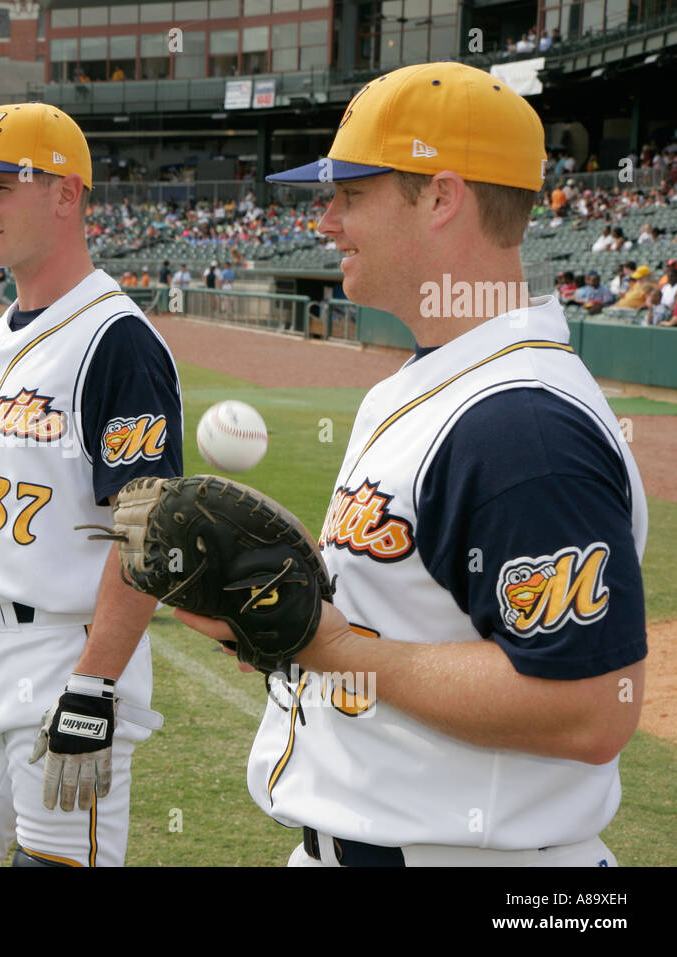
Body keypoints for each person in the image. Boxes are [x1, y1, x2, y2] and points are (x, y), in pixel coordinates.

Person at [183, 61, 646, 867]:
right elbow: (403, 621)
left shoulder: (522, 425)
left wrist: (324, 643)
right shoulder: (436, 382)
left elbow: (590, 708)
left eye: (351, 194)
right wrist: (277, 627)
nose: (325, 220)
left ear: (441, 196)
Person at [0, 102, 183, 867]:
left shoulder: (117, 343)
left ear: (66, 194)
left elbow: (147, 533)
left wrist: (94, 686)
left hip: (65, 659)